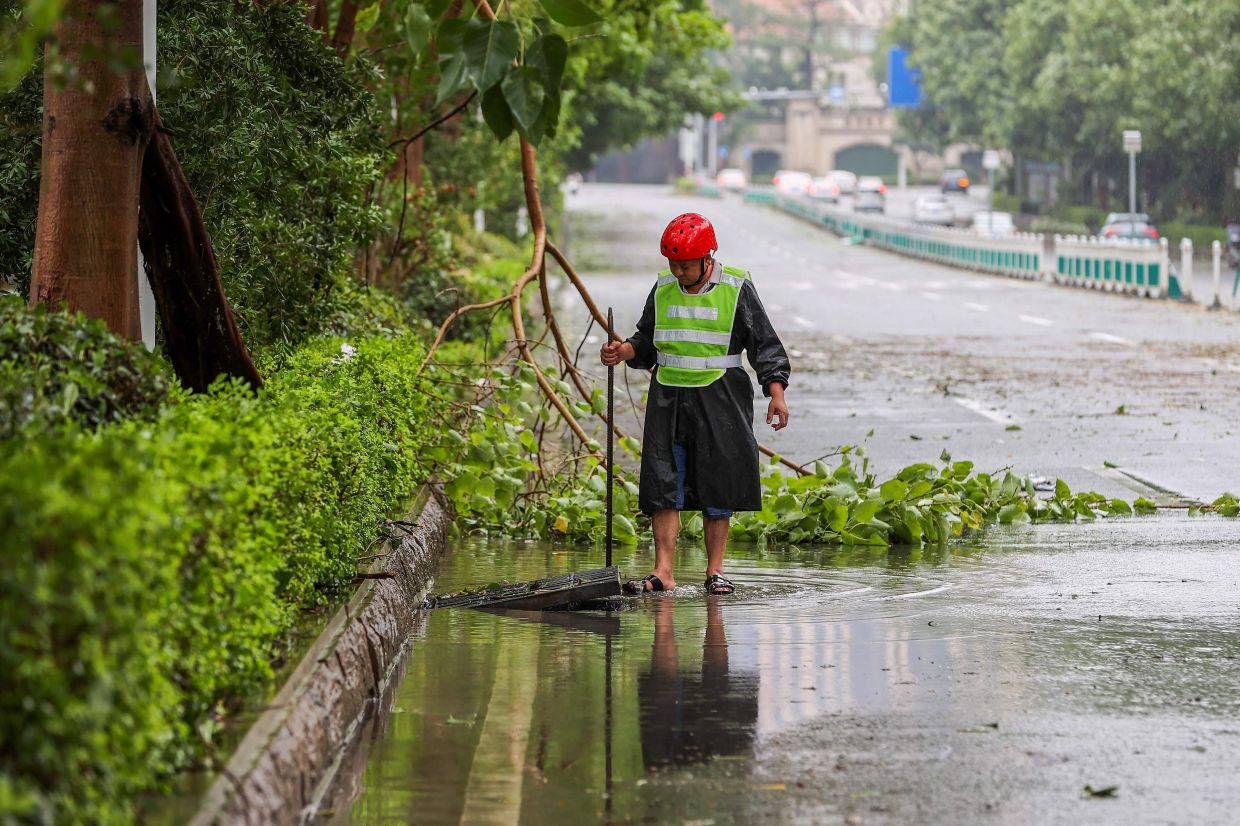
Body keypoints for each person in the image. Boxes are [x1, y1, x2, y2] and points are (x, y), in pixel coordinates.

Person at [600, 212, 790, 596]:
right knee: (662, 480)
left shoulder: (736, 287)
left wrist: (776, 392)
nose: (679, 271)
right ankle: (663, 572)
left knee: (718, 483)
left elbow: (763, 343)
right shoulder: (664, 287)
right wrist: (624, 351)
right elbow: (647, 338)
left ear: (707, 259)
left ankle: (715, 571)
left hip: (720, 395)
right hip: (668, 396)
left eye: (686, 265)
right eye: (673, 264)